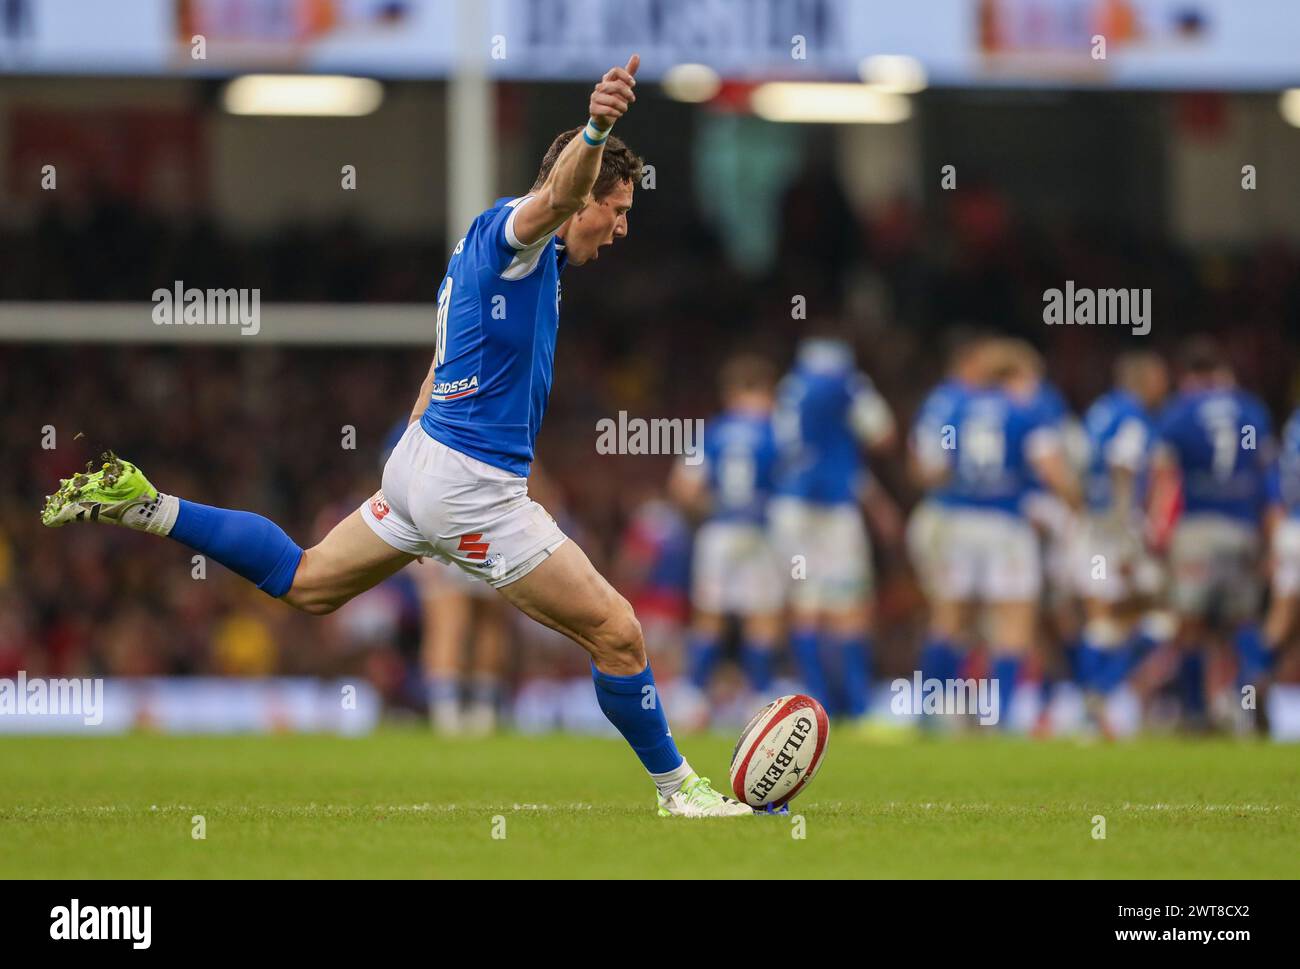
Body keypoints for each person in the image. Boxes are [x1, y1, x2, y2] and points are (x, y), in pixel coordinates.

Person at [40, 54, 751, 818]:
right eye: (616, 208)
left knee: (308, 580)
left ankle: (148, 506)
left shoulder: (510, 255)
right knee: (618, 631)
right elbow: (560, 193)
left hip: (425, 460)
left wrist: (418, 448)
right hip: (470, 482)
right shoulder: (516, 233)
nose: (620, 224)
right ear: (578, 198)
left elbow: (444, 361)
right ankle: (680, 791)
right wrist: (599, 124)